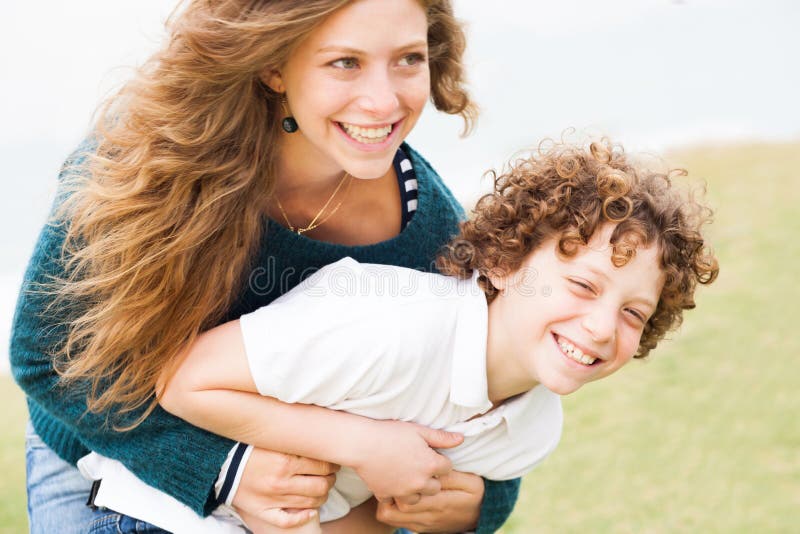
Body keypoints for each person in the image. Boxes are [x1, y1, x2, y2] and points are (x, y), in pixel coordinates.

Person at [10, 1, 520, 533]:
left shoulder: (432, 233)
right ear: (273, 66)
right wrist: (226, 471)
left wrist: (481, 503)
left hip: (304, 485)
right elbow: (44, 358)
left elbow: (500, 382)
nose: (384, 100)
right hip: (104, 434)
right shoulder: (145, 159)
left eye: (409, 59)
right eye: (345, 62)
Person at [78, 139, 719, 533]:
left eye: (634, 313)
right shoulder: (390, 325)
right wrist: (363, 442)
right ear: (502, 262)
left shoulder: (530, 433)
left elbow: (375, 514)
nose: (602, 326)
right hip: (157, 511)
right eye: (581, 285)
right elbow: (183, 381)